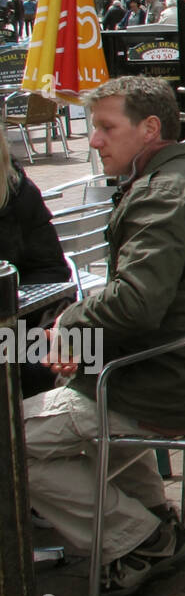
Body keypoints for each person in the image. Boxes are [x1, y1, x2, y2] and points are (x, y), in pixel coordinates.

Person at [23, 77, 185, 596]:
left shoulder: (165, 191)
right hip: (183, 371)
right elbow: (149, 301)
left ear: (150, 128)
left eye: (106, 127)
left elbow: (137, 301)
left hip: (166, 385)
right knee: (70, 414)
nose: (94, 141)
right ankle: (153, 525)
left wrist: (69, 326)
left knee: (10, 448)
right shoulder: (181, 179)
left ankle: (137, 540)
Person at [0, 132, 75, 399]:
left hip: (17, 327)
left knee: (89, 347)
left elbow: (53, 271)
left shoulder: (18, 191)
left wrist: (14, 297)